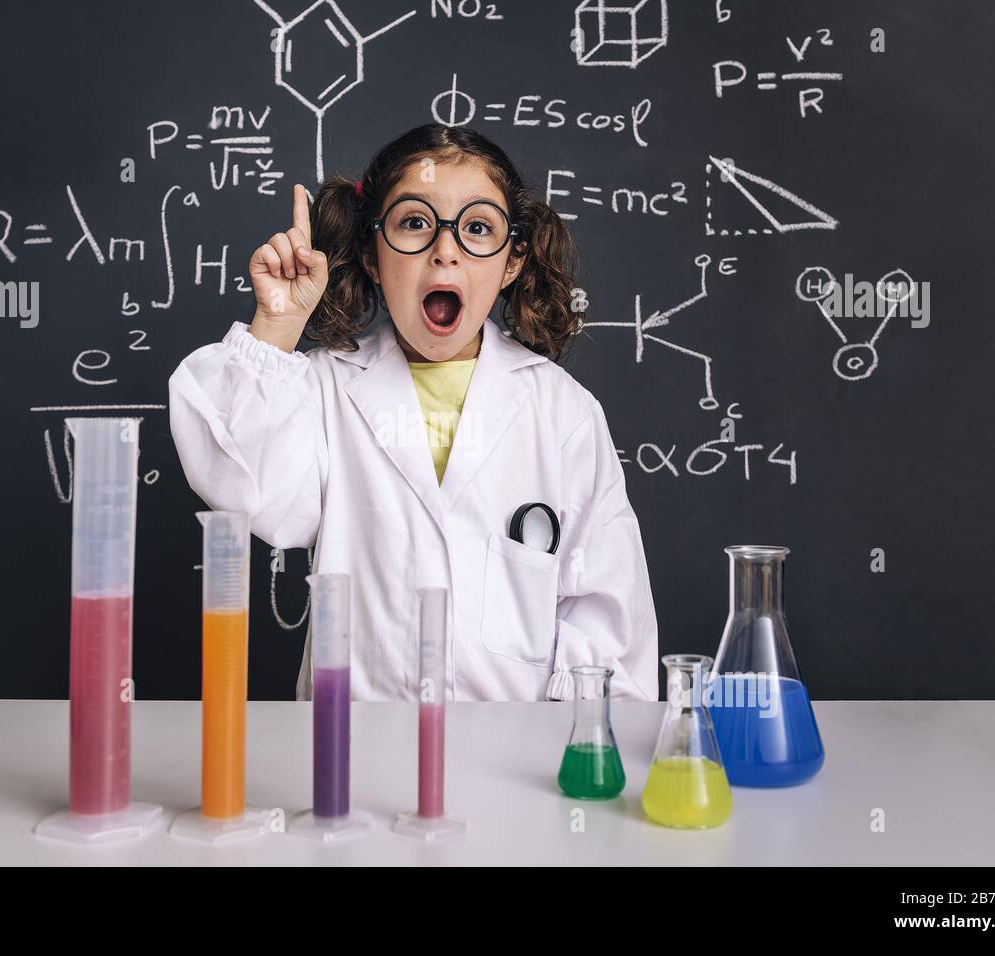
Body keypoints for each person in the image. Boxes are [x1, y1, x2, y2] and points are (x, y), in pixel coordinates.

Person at [169, 123, 658, 702]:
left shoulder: (564, 413)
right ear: (374, 256)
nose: (444, 249)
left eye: (477, 228)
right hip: (350, 756)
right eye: (415, 223)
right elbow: (243, 487)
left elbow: (608, 623)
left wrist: (557, 740)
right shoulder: (324, 390)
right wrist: (276, 326)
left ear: (511, 262)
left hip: (512, 763)